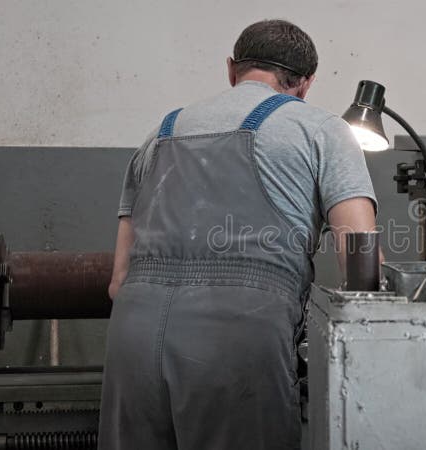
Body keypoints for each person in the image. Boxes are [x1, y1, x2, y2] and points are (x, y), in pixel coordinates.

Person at [98, 19, 378, 450]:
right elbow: (360, 265)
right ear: (306, 84)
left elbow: (118, 280)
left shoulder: (159, 134)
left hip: (132, 341)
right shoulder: (321, 130)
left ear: (232, 70)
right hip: (237, 342)